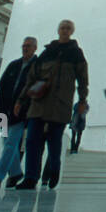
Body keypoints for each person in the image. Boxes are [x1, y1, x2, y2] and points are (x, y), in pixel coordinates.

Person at [15, 19, 88, 191]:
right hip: (39, 103)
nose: (65, 30)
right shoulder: (47, 52)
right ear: (58, 30)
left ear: (72, 31)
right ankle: (31, 178)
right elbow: (31, 78)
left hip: (60, 105)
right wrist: (20, 99)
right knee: (33, 141)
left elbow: (83, 79)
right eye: (62, 27)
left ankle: (54, 169)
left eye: (68, 28)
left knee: (54, 141)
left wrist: (83, 100)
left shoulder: (76, 53)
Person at [0, 37, 36, 189]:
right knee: (7, 143)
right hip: (3, 112)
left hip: (20, 114)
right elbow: (1, 87)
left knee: (10, 144)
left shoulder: (37, 66)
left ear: (35, 47)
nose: (25, 48)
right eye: (23, 45)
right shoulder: (13, 65)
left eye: (28, 46)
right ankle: (15, 172)